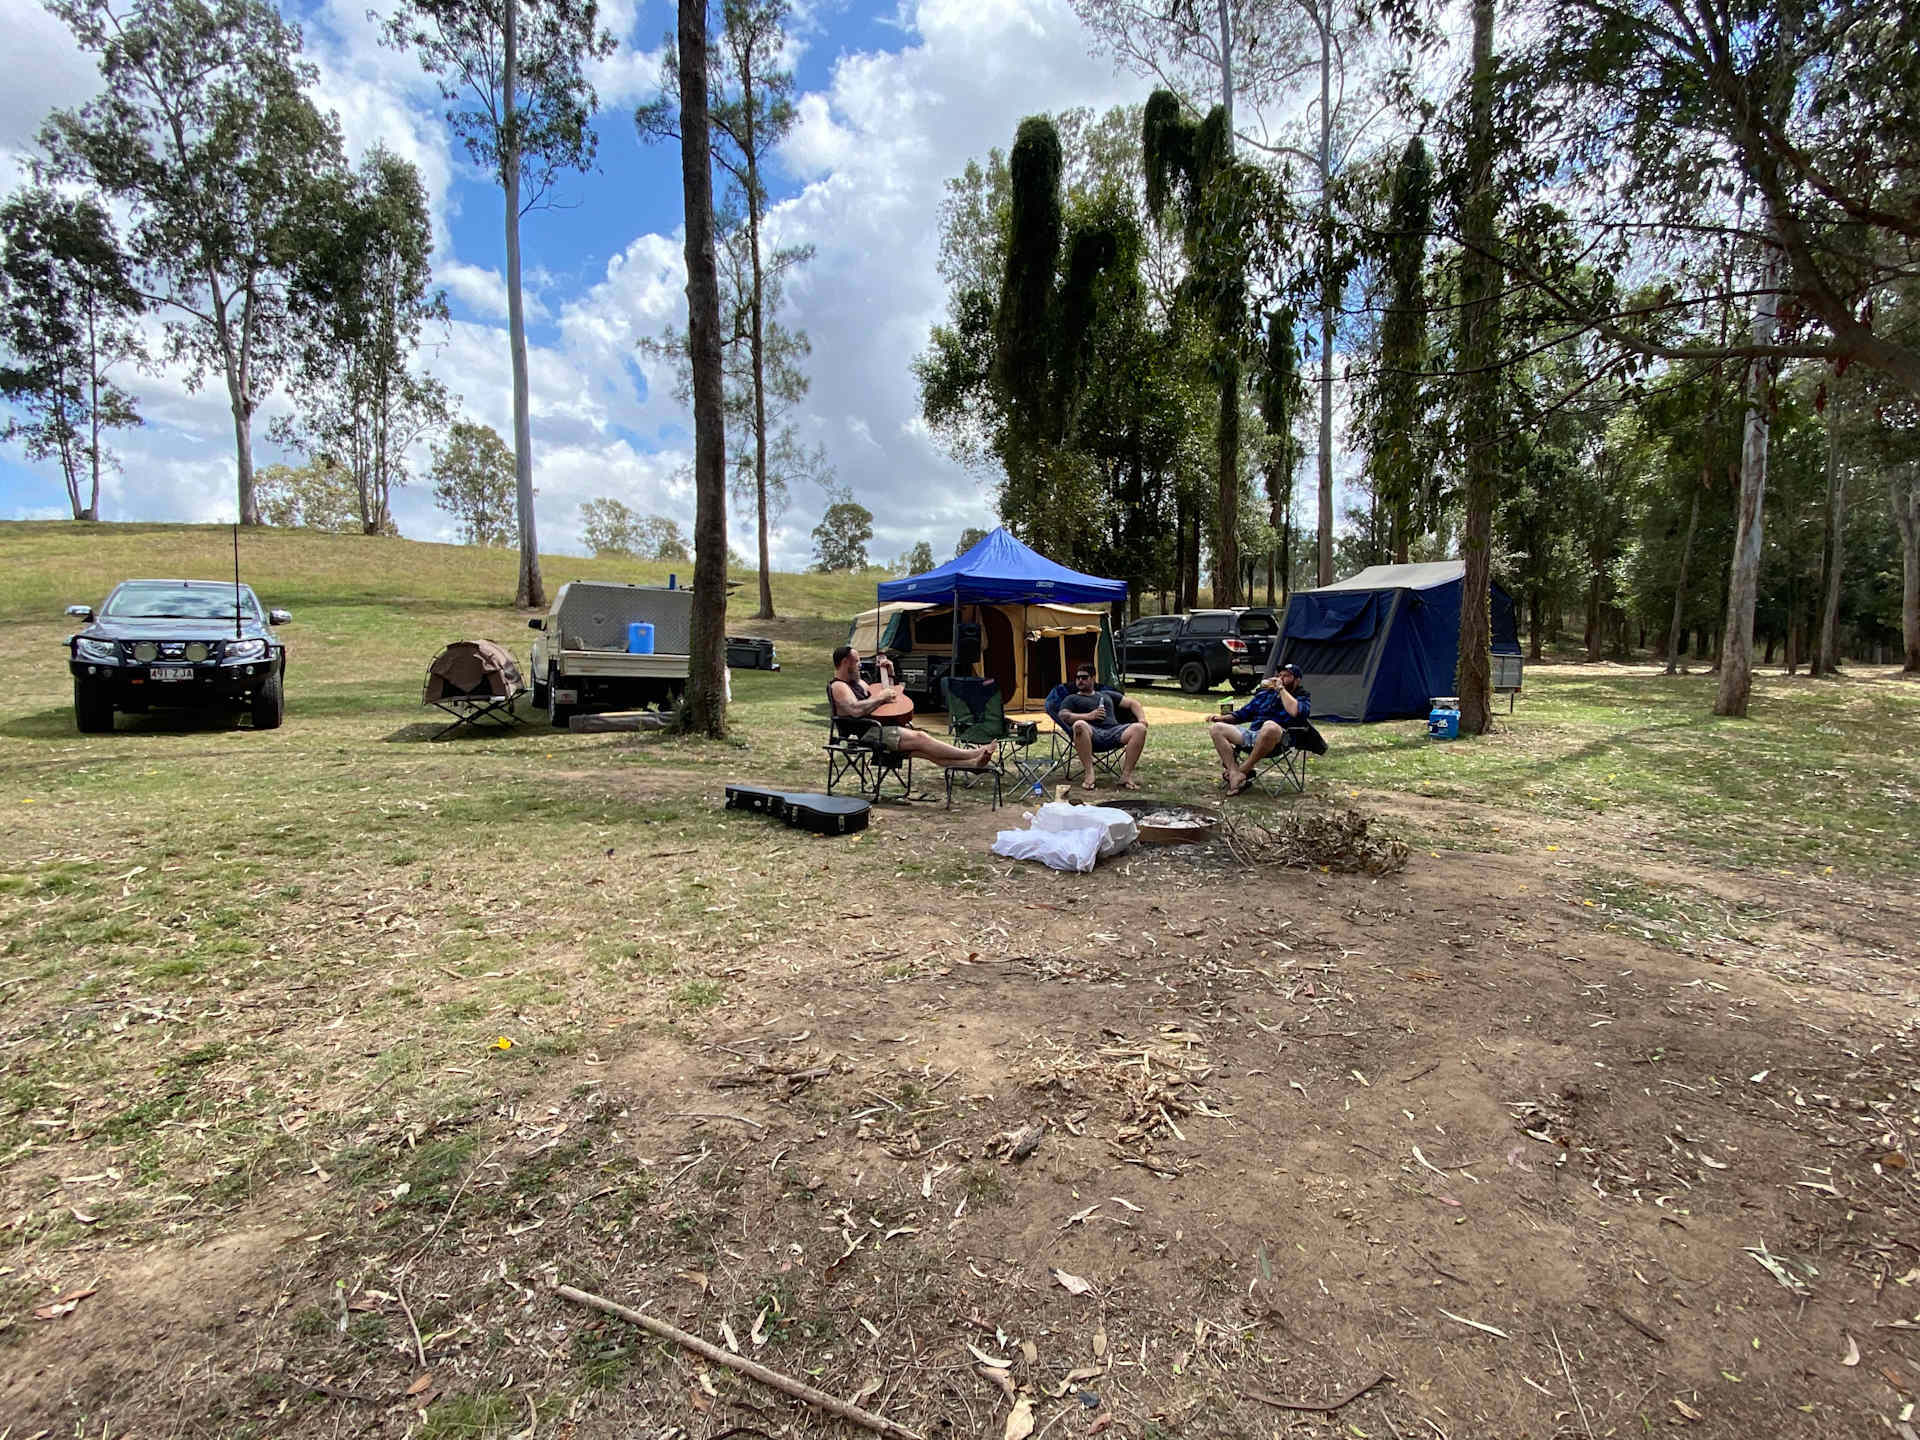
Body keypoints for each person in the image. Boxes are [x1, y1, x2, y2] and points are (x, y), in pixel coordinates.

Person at [828, 645, 995, 768]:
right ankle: (973, 753)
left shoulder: (859, 682)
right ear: (845, 662)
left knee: (923, 751)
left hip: (878, 728)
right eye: (856, 662)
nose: (860, 665)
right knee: (921, 738)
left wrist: (891, 673)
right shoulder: (839, 686)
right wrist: (880, 697)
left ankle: (973, 764)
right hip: (864, 733)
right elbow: (856, 710)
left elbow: (889, 698)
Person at [1210, 662, 1311, 796]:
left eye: (1286, 676)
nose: (1280, 679)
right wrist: (1222, 718)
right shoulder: (1265, 694)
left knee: (1270, 726)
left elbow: (1295, 711)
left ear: (1297, 681)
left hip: (1279, 741)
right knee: (1216, 728)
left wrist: (1281, 690)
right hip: (1253, 735)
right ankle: (1234, 773)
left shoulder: (1302, 696)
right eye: (1279, 675)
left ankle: (1243, 770)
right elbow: (1243, 714)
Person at [1052, 662, 1148, 791]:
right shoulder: (1071, 698)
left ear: (1093, 678)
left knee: (1140, 729)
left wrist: (1142, 719)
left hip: (1114, 731)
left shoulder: (1106, 695)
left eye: (1084, 677)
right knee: (1079, 724)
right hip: (1091, 734)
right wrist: (1089, 716)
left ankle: (1126, 776)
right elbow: (1063, 715)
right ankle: (1089, 774)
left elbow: (1132, 703)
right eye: (1078, 678)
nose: (1080, 680)